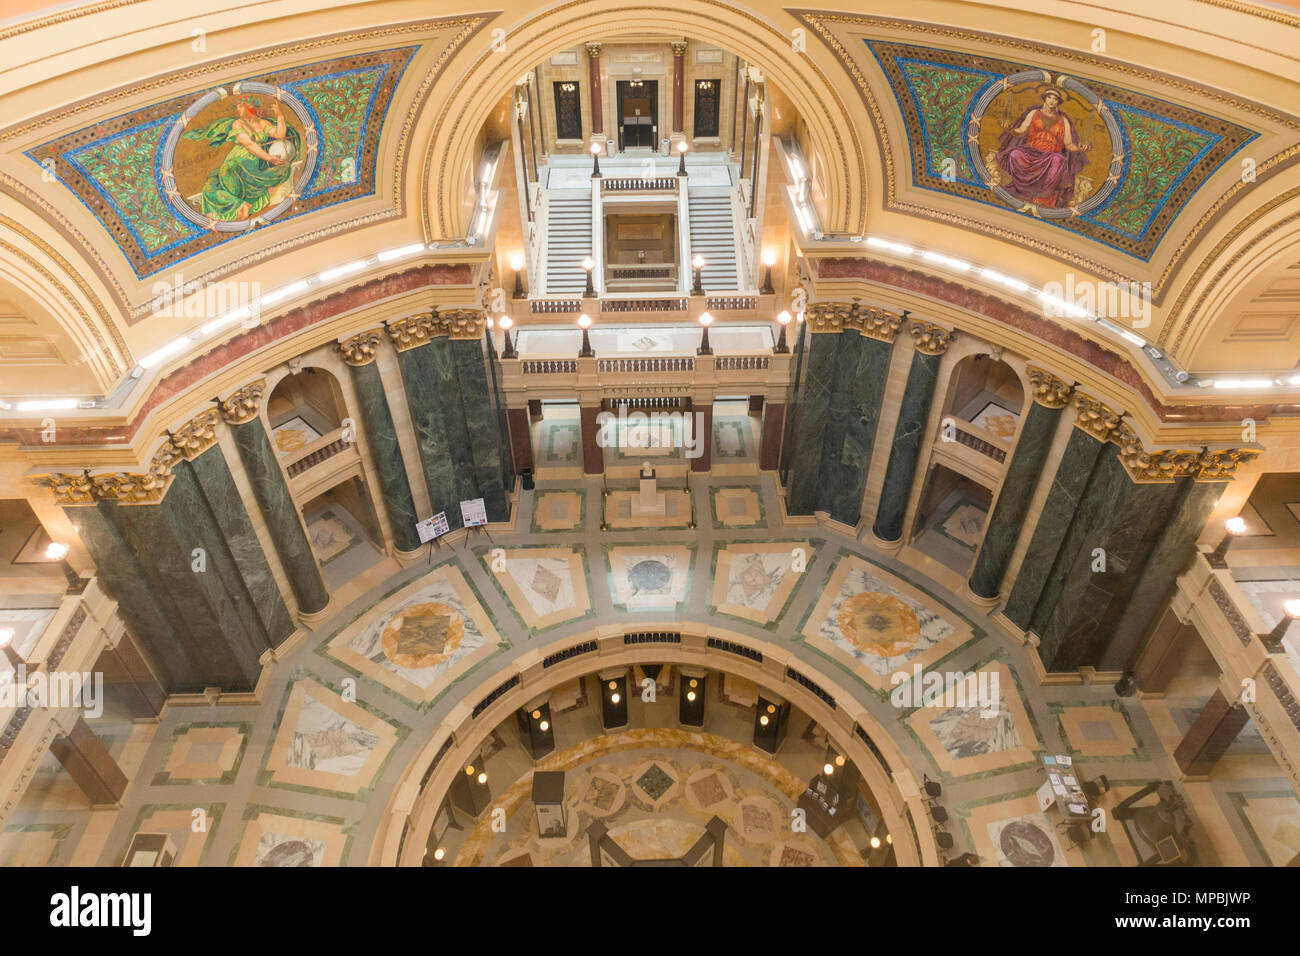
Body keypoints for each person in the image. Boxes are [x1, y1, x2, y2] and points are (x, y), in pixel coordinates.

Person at [183, 96, 300, 222]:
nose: (237, 109)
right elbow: (249, 144)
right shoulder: (238, 123)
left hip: (254, 163)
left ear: (248, 107)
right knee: (213, 185)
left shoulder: (263, 123)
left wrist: (279, 115)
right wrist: (268, 157)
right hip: (238, 160)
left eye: (239, 106)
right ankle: (241, 205)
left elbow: (280, 134)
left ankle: (243, 205)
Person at [995, 86, 1090, 209]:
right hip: (1031, 151)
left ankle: (1043, 195)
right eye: (1049, 97)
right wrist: (1009, 129)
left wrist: (1080, 149)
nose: (1051, 100)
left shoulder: (1064, 120)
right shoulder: (1034, 113)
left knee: (1059, 159)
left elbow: (1068, 144)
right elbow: (1021, 131)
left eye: (1055, 99)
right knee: (1015, 154)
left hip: (1050, 155)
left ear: (1058, 102)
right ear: (1044, 99)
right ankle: (1022, 190)